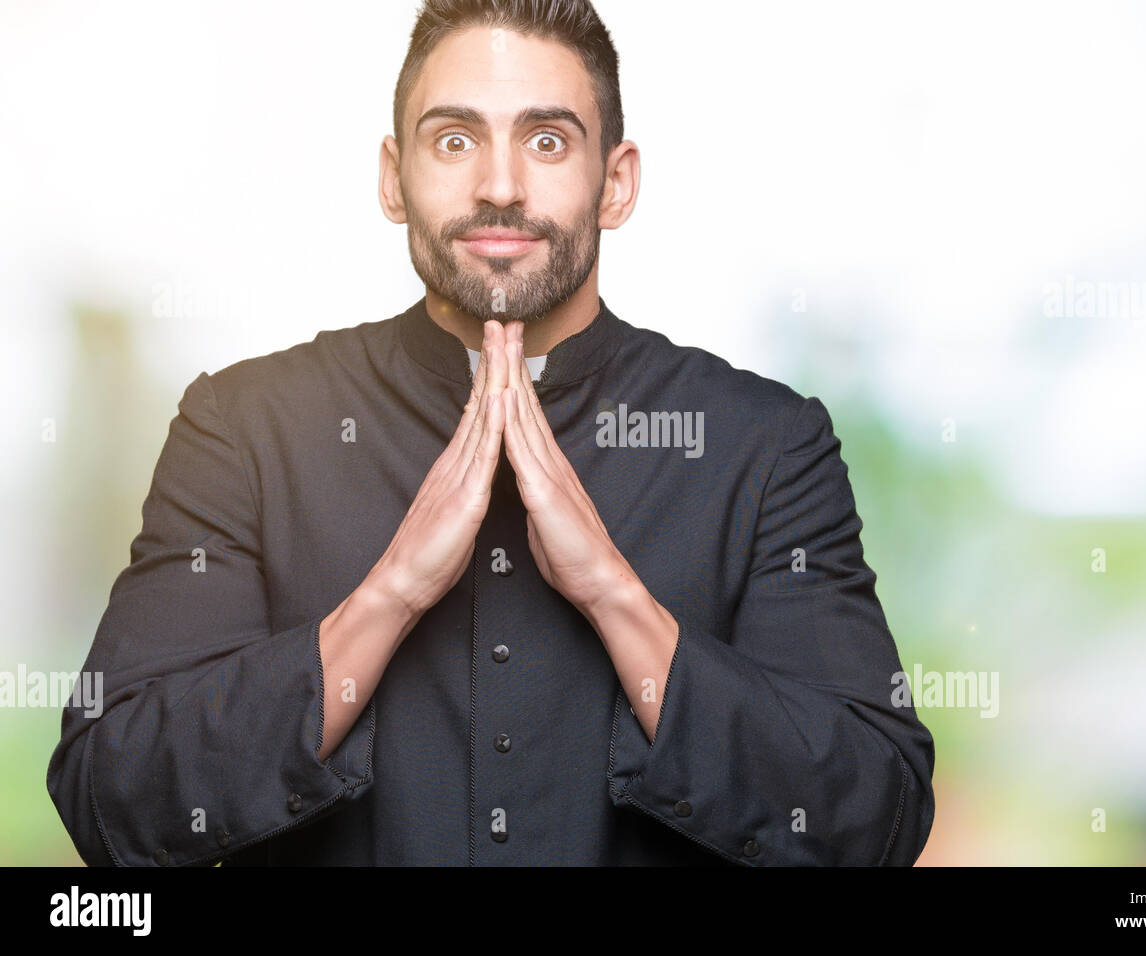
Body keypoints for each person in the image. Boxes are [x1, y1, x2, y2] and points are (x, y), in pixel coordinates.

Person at [47, 0, 935, 866]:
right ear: (393, 178)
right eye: (455, 139)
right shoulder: (243, 429)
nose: (501, 186)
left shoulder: (766, 446)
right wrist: (386, 598)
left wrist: (615, 597)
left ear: (615, 183)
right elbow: (109, 794)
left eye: (547, 141)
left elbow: (875, 816)